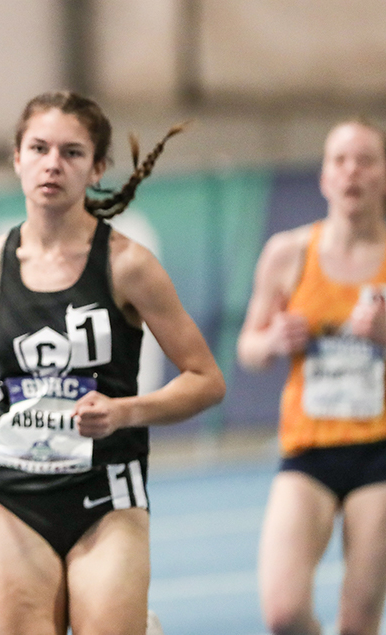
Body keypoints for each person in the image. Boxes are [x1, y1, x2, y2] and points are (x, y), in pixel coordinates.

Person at [0, 91, 226, 634]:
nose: (53, 164)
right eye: (39, 148)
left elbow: (206, 381)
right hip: (14, 494)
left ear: (97, 169)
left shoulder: (129, 266)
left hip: (108, 493)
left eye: (71, 153)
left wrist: (123, 412)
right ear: (17, 158)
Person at [238, 118, 386, 635]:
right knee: (284, 613)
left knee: (359, 622)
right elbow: (248, 348)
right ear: (324, 176)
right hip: (308, 451)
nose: (352, 172)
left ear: (384, 174)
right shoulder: (290, 254)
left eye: (365, 160)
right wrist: (273, 340)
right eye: (339, 161)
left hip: (380, 453)